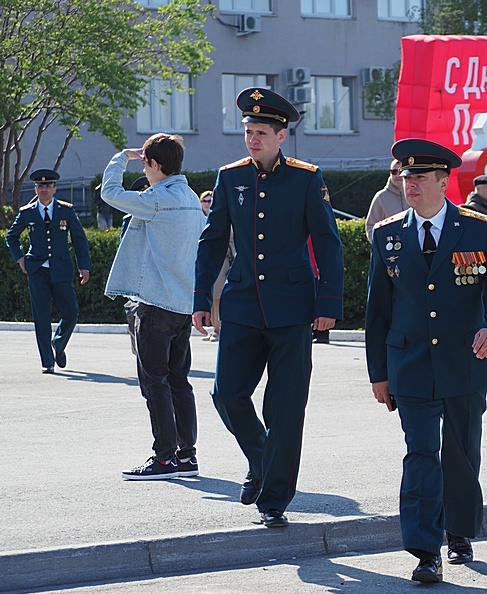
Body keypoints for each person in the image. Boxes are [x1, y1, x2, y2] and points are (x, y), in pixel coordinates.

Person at [366, 139, 487, 583]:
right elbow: (378, 310)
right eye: (406, 177)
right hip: (410, 363)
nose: (410, 184)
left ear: (442, 181)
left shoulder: (478, 228)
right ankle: (424, 550)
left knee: (460, 453)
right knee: (420, 454)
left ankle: (459, 530)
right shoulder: (387, 234)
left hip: (464, 360)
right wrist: (379, 373)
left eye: (419, 177)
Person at [193, 87, 344, 528]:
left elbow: (328, 243)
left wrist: (328, 301)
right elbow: (212, 241)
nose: (253, 139)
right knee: (226, 394)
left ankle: (274, 500)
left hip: (292, 308)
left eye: (261, 132)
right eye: (248, 132)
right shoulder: (230, 177)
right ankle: (262, 461)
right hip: (242, 304)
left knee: (285, 407)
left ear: (281, 135)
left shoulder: (306, 178)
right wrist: (201, 298)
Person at [102, 133, 205, 480]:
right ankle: (186, 456)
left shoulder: (157, 198)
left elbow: (110, 193)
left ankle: (163, 458)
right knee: (179, 381)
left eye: (146, 165)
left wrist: (122, 156)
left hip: (157, 303)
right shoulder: (190, 198)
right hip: (183, 304)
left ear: (155, 165)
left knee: (154, 382)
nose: (144, 171)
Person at [5, 169, 91, 373]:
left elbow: (79, 240)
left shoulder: (66, 210)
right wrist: (20, 258)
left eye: (48, 186)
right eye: (40, 186)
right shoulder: (27, 212)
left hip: (61, 269)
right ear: (35, 189)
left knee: (71, 313)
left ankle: (58, 343)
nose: (44, 189)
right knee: (41, 317)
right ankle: (47, 361)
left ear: (54, 189)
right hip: (37, 271)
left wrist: (84, 266)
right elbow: (11, 237)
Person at [121, 175, 151, 355]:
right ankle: (139, 352)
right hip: (139, 276)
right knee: (136, 315)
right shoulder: (129, 219)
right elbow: (125, 250)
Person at [202, 190, 234, 343]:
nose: (208, 204)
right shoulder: (199, 217)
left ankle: (217, 329)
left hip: (222, 260)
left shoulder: (224, 216)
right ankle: (214, 328)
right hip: (206, 260)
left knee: (218, 297)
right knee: (212, 296)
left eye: (211, 200)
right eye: (205, 201)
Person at [364, 159, 409, 243]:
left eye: (401, 171)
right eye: (394, 172)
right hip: (389, 248)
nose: (397, 175)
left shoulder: (415, 195)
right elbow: (370, 227)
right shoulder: (380, 197)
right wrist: (382, 246)